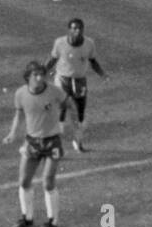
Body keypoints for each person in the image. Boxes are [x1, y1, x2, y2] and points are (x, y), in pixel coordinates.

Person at [2, 61, 65, 227]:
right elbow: (19, 114)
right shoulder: (21, 94)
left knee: (48, 181)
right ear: (28, 77)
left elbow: (68, 103)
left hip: (52, 141)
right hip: (32, 142)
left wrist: (69, 124)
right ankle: (27, 218)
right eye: (35, 75)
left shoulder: (54, 91)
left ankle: (53, 221)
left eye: (42, 74)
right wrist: (12, 133)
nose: (40, 78)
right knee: (24, 181)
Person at [41, 18, 107, 153]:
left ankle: (78, 142)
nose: (78, 31)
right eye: (75, 28)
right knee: (61, 111)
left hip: (79, 81)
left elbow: (93, 61)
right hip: (62, 79)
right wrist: (42, 73)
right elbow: (52, 59)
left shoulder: (89, 44)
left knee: (80, 113)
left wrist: (102, 74)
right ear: (69, 30)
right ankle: (52, 144)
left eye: (80, 28)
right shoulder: (60, 43)